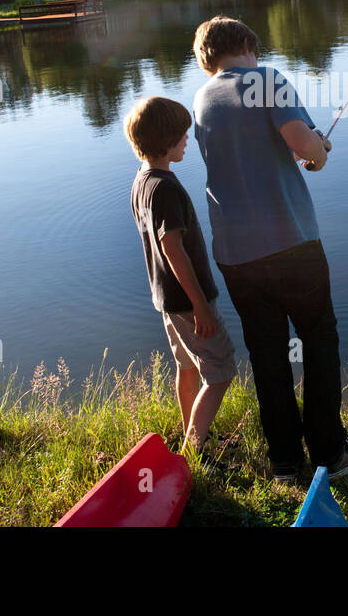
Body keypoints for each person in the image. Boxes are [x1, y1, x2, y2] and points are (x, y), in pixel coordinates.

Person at [191, 15, 348, 483]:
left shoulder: (202, 98)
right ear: (249, 46)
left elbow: (247, 157)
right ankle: (331, 453)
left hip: (235, 253)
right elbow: (303, 143)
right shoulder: (267, 79)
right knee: (318, 338)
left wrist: (298, 149)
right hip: (291, 244)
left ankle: (284, 462)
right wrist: (320, 151)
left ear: (208, 58)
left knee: (267, 353)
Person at [123, 96, 236, 455]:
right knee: (219, 370)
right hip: (189, 300)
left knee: (187, 367)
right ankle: (194, 450)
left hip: (166, 300)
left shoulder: (142, 182)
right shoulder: (165, 188)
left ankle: (193, 435)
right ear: (166, 139)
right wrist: (201, 305)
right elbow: (173, 248)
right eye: (183, 134)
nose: (188, 139)